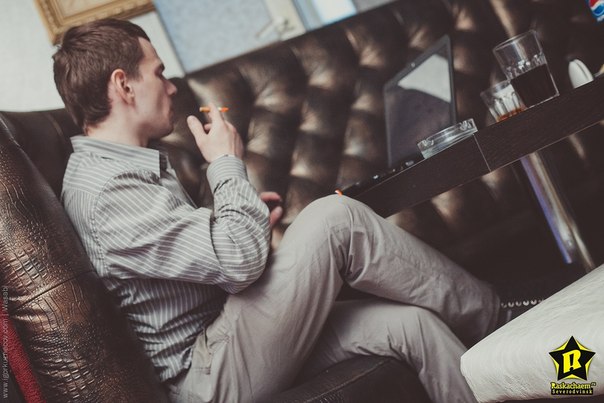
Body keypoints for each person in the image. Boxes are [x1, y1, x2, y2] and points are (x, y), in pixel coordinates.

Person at [54, 18, 500, 403]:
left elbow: (202, 260)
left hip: (229, 338)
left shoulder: (120, 167)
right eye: (159, 73)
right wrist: (225, 162)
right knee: (334, 218)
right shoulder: (106, 190)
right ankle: (501, 319)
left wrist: (238, 218)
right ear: (123, 84)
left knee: (412, 326)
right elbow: (238, 262)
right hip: (207, 376)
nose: (171, 87)